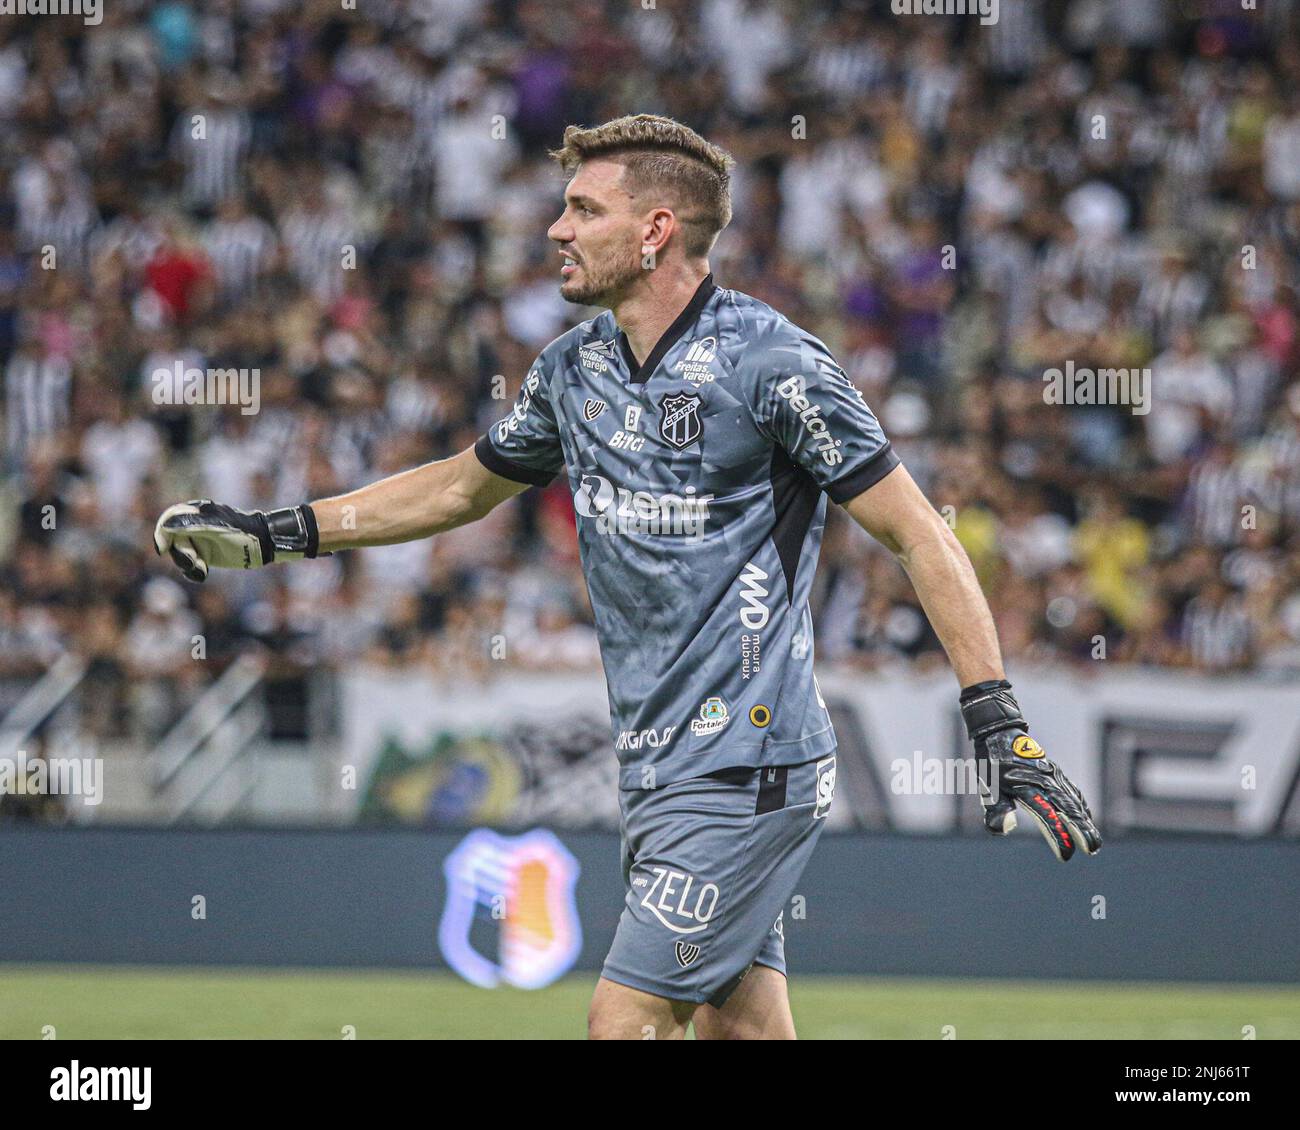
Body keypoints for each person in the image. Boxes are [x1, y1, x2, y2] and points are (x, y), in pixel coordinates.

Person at [153, 114, 1100, 1040]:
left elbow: (921, 536)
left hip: (749, 767)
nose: (557, 231)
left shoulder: (773, 365)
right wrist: (281, 533)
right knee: (743, 1026)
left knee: (626, 1018)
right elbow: (457, 490)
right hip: (657, 766)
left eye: (583, 209)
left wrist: (998, 722)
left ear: (656, 233)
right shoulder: (574, 370)